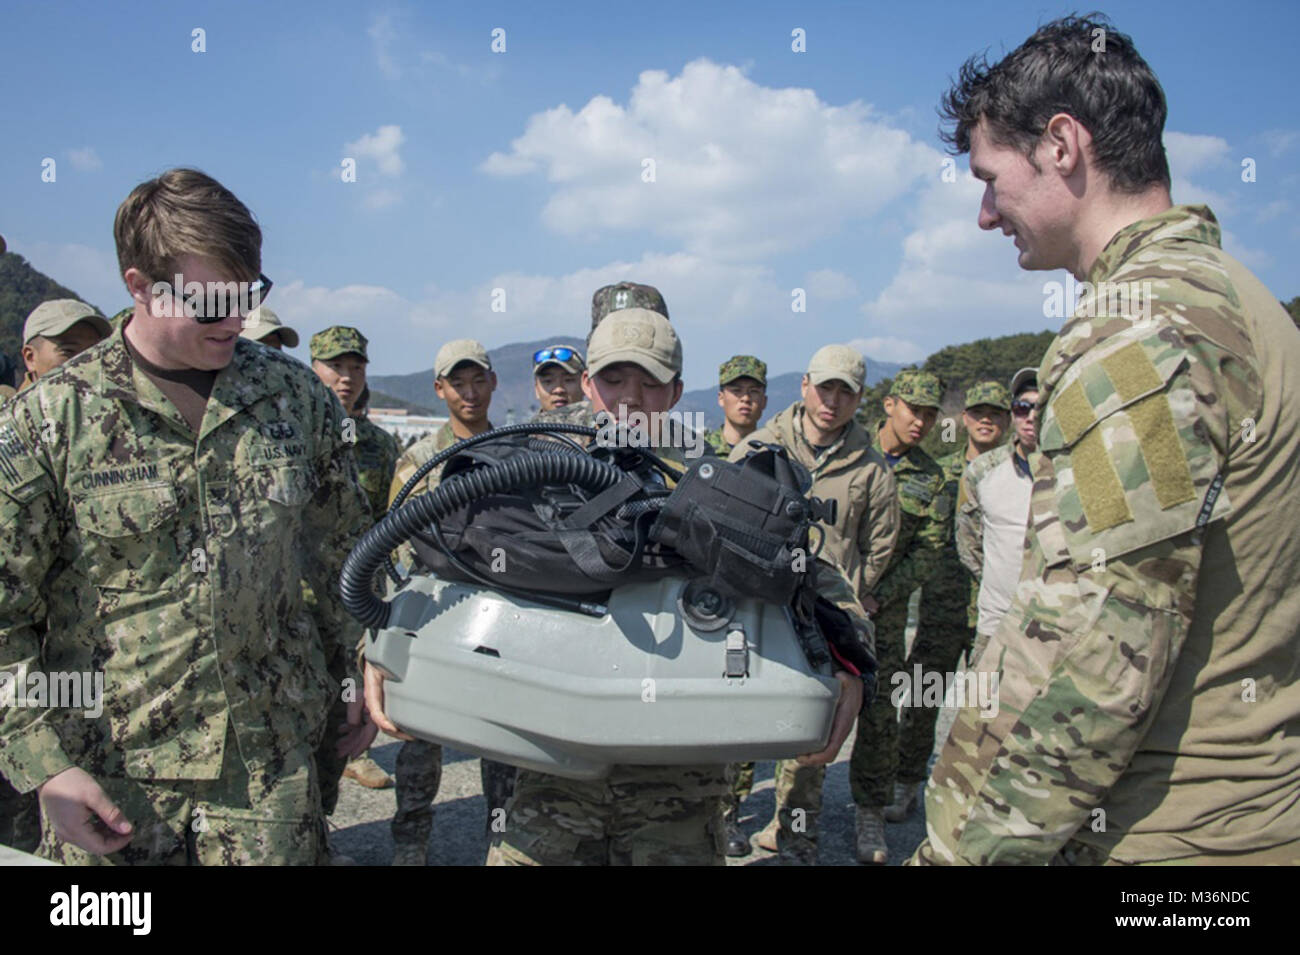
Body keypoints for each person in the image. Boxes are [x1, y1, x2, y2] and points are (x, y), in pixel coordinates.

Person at [911, 14, 1300, 865]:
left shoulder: (1140, 330)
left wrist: (961, 854)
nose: (984, 215)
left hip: (1158, 842)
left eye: (989, 177)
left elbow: (1099, 651)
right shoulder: (1240, 300)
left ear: (1060, 144)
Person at [368, 306, 871, 866]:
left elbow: (815, 573)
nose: (629, 396)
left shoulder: (715, 475)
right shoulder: (536, 466)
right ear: (587, 383)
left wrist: (851, 662)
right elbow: (427, 557)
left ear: (677, 389)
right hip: (548, 778)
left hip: (679, 784)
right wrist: (381, 643)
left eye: (650, 381)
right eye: (612, 378)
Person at [0, 167, 375, 865]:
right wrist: (43, 762)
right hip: (112, 781)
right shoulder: (55, 418)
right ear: (139, 285)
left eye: (250, 295)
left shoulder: (296, 398)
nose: (236, 319)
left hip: (271, 778)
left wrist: (360, 665)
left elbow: (346, 551)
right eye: (211, 302)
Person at [733, 344, 899, 864]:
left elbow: (881, 545)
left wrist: (846, 595)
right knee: (734, 714)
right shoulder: (760, 449)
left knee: (811, 731)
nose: (831, 400)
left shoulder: (871, 470)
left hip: (825, 621)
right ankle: (724, 814)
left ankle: (796, 838)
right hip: (759, 608)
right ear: (805, 386)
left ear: (858, 399)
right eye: (824, 387)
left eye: (844, 392)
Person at [384, 339, 516, 864]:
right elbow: (393, 539)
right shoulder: (418, 460)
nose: (469, 392)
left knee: (505, 741)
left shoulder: (515, 448)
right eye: (457, 383)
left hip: (498, 617)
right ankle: (410, 845)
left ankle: (503, 844)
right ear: (439, 389)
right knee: (419, 740)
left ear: (492, 383)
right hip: (434, 614)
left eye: (477, 380)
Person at [889, 380, 1010, 824]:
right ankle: (905, 786)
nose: (985, 420)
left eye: (996, 413)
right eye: (979, 412)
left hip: (994, 614)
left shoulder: (1019, 476)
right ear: (964, 419)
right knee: (921, 702)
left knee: (988, 713)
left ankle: (975, 799)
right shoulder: (940, 475)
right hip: (941, 608)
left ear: (1007, 421)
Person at [847, 369, 951, 864]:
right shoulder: (850, 452)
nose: (923, 421)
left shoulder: (931, 479)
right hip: (827, 605)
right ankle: (791, 817)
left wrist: (879, 597)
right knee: (814, 704)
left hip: (881, 615)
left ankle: (869, 814)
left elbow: (928, 554)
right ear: (890, 405)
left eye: (932, 413)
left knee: (880, 716)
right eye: (915, 409)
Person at [306, 327, 399, 810]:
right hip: (295, 612)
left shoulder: (379, 447)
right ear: (313, 368)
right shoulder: (288, 436)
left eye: (356, 368)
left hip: (352, 611)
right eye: (335, 366)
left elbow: (391, 527)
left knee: (342, 723)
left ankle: (322, 828)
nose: (346, 377)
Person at [955, 369, 1038, 664]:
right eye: (1022, 408)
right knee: (983, 709)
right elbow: (970, 543)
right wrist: (999, 581)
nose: (1031, 416)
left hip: (1053, 630)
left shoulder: (1075, 470)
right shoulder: (982, 471)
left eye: (1040, 407)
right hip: (996, 625)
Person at [705, 356, 768, 456]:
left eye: (754, 391)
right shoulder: (702, 449)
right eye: (737, 390)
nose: (746, 398)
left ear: (764, 401)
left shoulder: (771, 454)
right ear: (721, 398)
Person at [532, 345, 585, 413]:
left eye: (568, 380)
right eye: (548, 381)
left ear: (585, 385)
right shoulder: (528, 424)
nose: (558, 390)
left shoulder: (600, 421)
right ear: (537, 390)